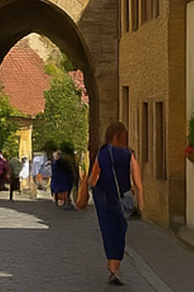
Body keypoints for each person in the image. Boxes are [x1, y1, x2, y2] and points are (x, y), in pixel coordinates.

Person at [85, 122, 144, 286]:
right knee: (120, 231)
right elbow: (137, 179)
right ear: (121, 135)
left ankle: (113, 269)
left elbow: (93, 179)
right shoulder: (129, 154)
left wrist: (87, 187)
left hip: (104, 198)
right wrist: (140, 199)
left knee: (108, 232)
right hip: (122, 199)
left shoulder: (102, 153)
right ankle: (114, 267)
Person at [51, 144, 77, 209]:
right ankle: (65, 201)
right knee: (65, 189)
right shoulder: (62, 162)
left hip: (60, 177)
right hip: (62, 177)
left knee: (61, 189)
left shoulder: (56, 162)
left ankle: (62, 200)